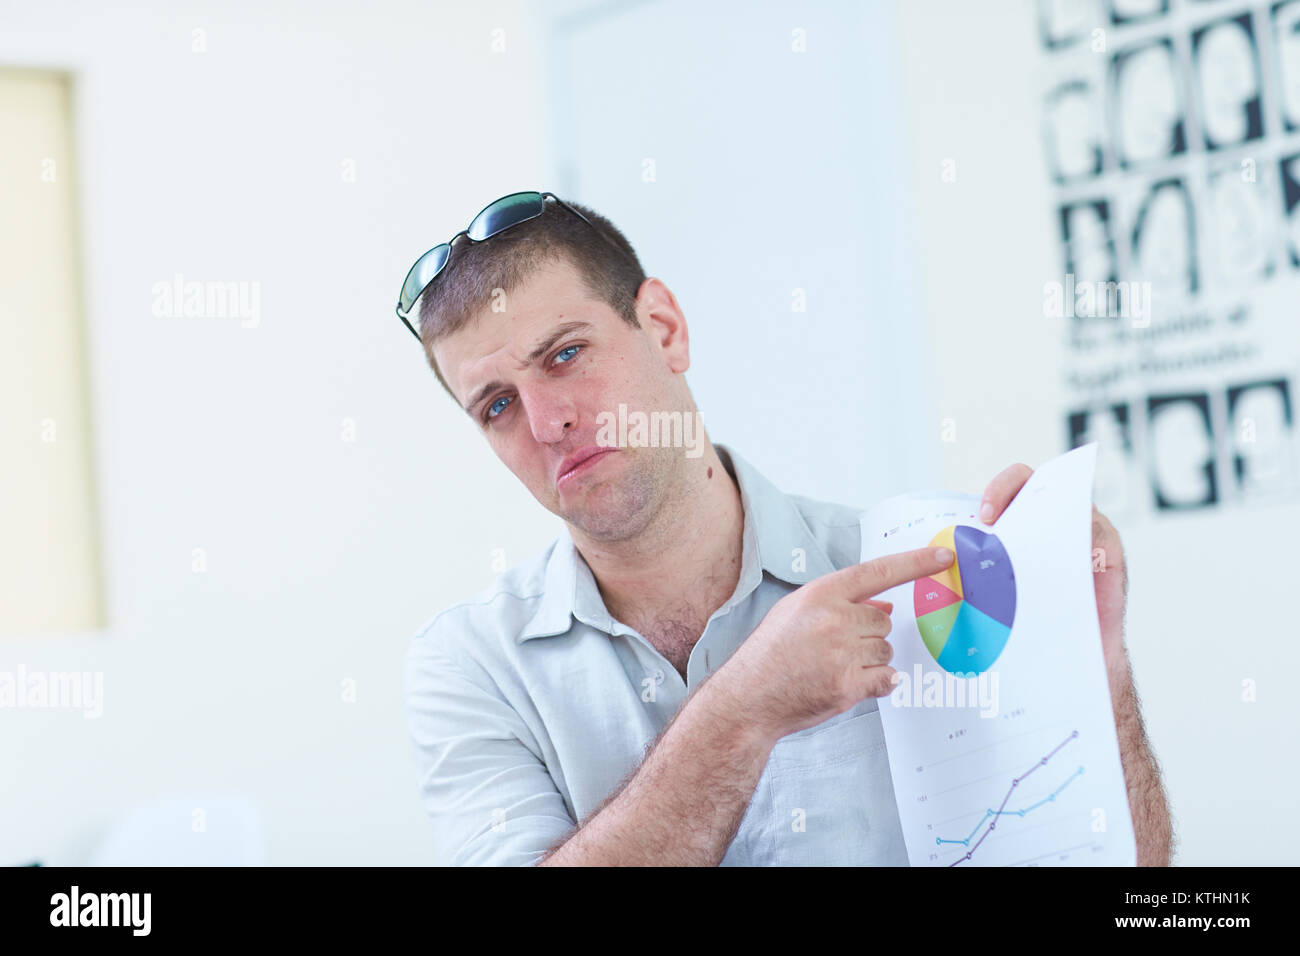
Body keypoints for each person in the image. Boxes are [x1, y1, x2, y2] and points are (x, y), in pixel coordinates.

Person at [397, 190, 1174, 866]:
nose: (548, 420)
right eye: (497, 405)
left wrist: (1096, 662)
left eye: (565, 355)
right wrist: (744, 710)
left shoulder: (907, 570)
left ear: (664, 329)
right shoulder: (471, 668)